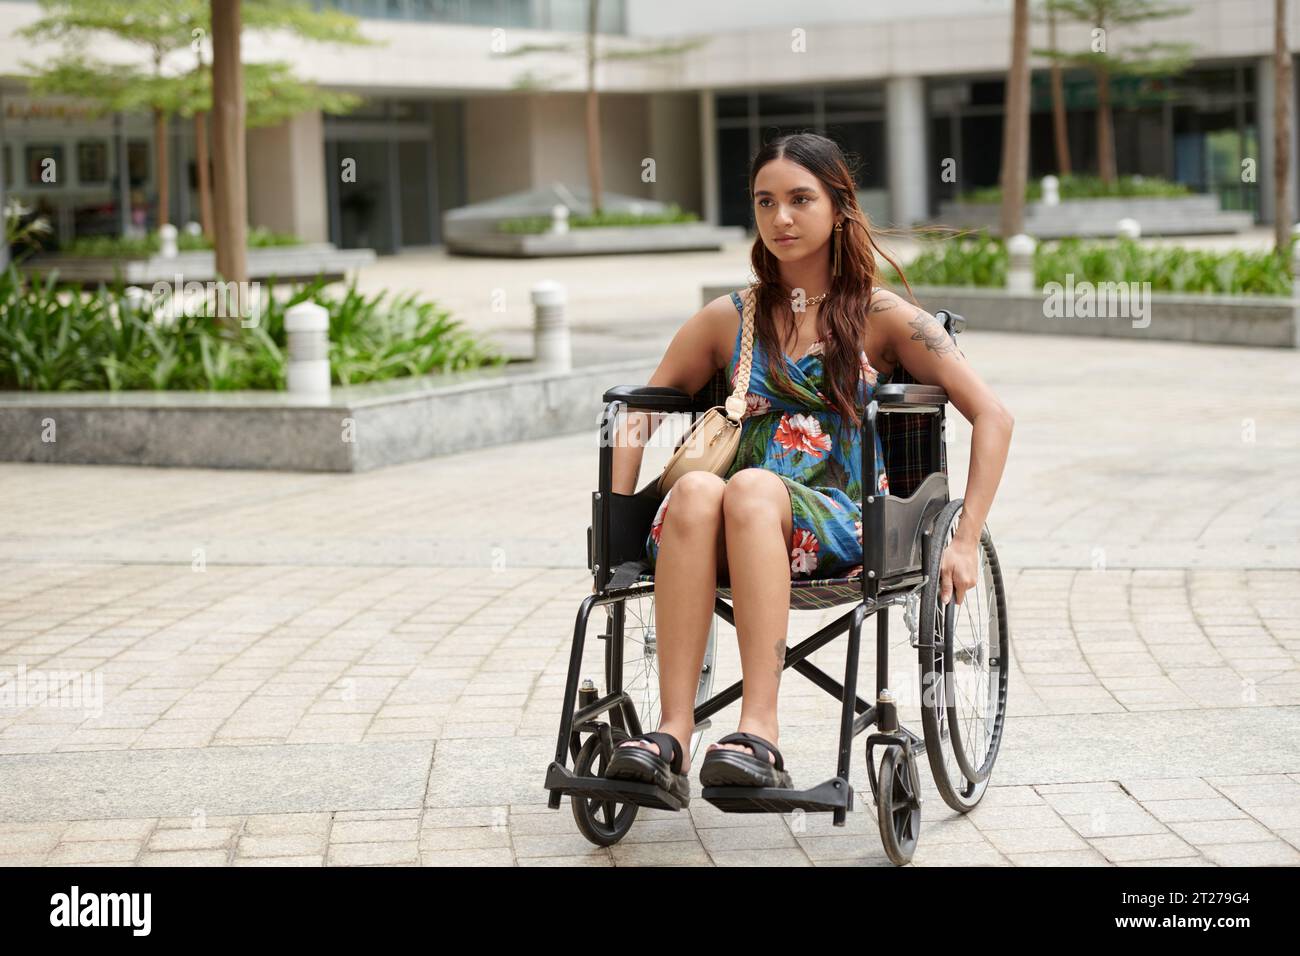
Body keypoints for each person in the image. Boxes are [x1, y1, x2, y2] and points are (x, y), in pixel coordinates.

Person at [602, 132, 1015, 798]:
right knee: (702, 492)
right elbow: (634, 415)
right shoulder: (726, 319)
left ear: (839, 209)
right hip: (724, 526)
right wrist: (618, 516)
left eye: (800, 200)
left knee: (750, 490)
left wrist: (964, 538)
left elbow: (993, 416)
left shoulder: (885, 317)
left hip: (841, 524)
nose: (781, 219)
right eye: (766, 202)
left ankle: (758, 730)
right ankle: (673, 733)